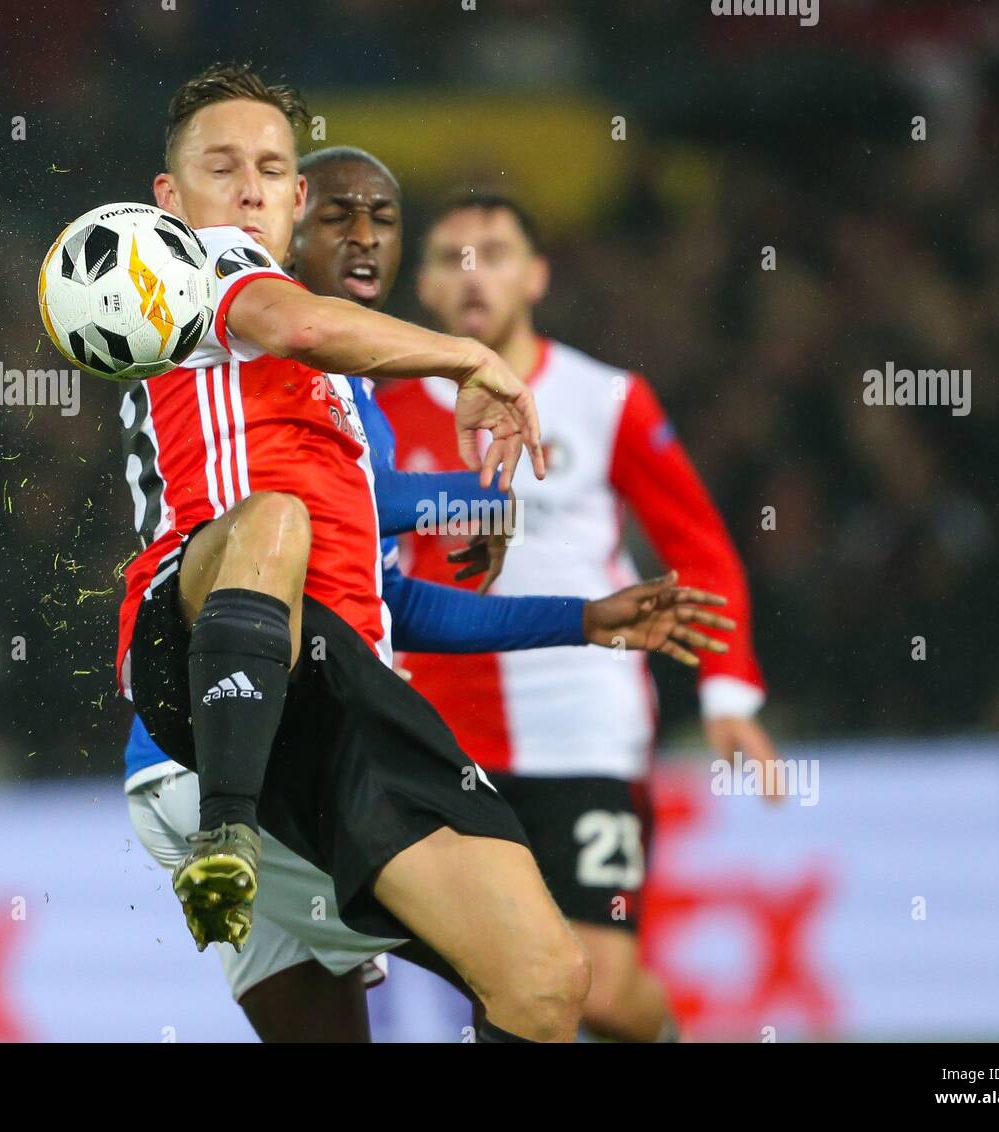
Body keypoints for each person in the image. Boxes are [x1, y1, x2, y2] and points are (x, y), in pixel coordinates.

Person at [124, 146, 734, 1041]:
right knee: (542, 974)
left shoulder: (343, 381)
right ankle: (232, 828)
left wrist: (577, 618)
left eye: (383, 217)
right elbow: (360, 496)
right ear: (291, 222)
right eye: (336, 214)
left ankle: (230, 837)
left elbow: (391, 597)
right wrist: (471, 486)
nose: (364, 236)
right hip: (260, 731)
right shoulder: (256, 326)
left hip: (211, 737)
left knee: (524, 982)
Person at [378, 193, 779, 1042]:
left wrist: (729, 696)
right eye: (453, 256)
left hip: (584, 732)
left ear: (537, 274)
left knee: (598, 987)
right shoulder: (380, 409)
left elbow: (697, 546)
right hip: (439, 739)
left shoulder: (608, 398)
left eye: (496, 251)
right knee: (504, 976)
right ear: (424, 283)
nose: (475, 272)